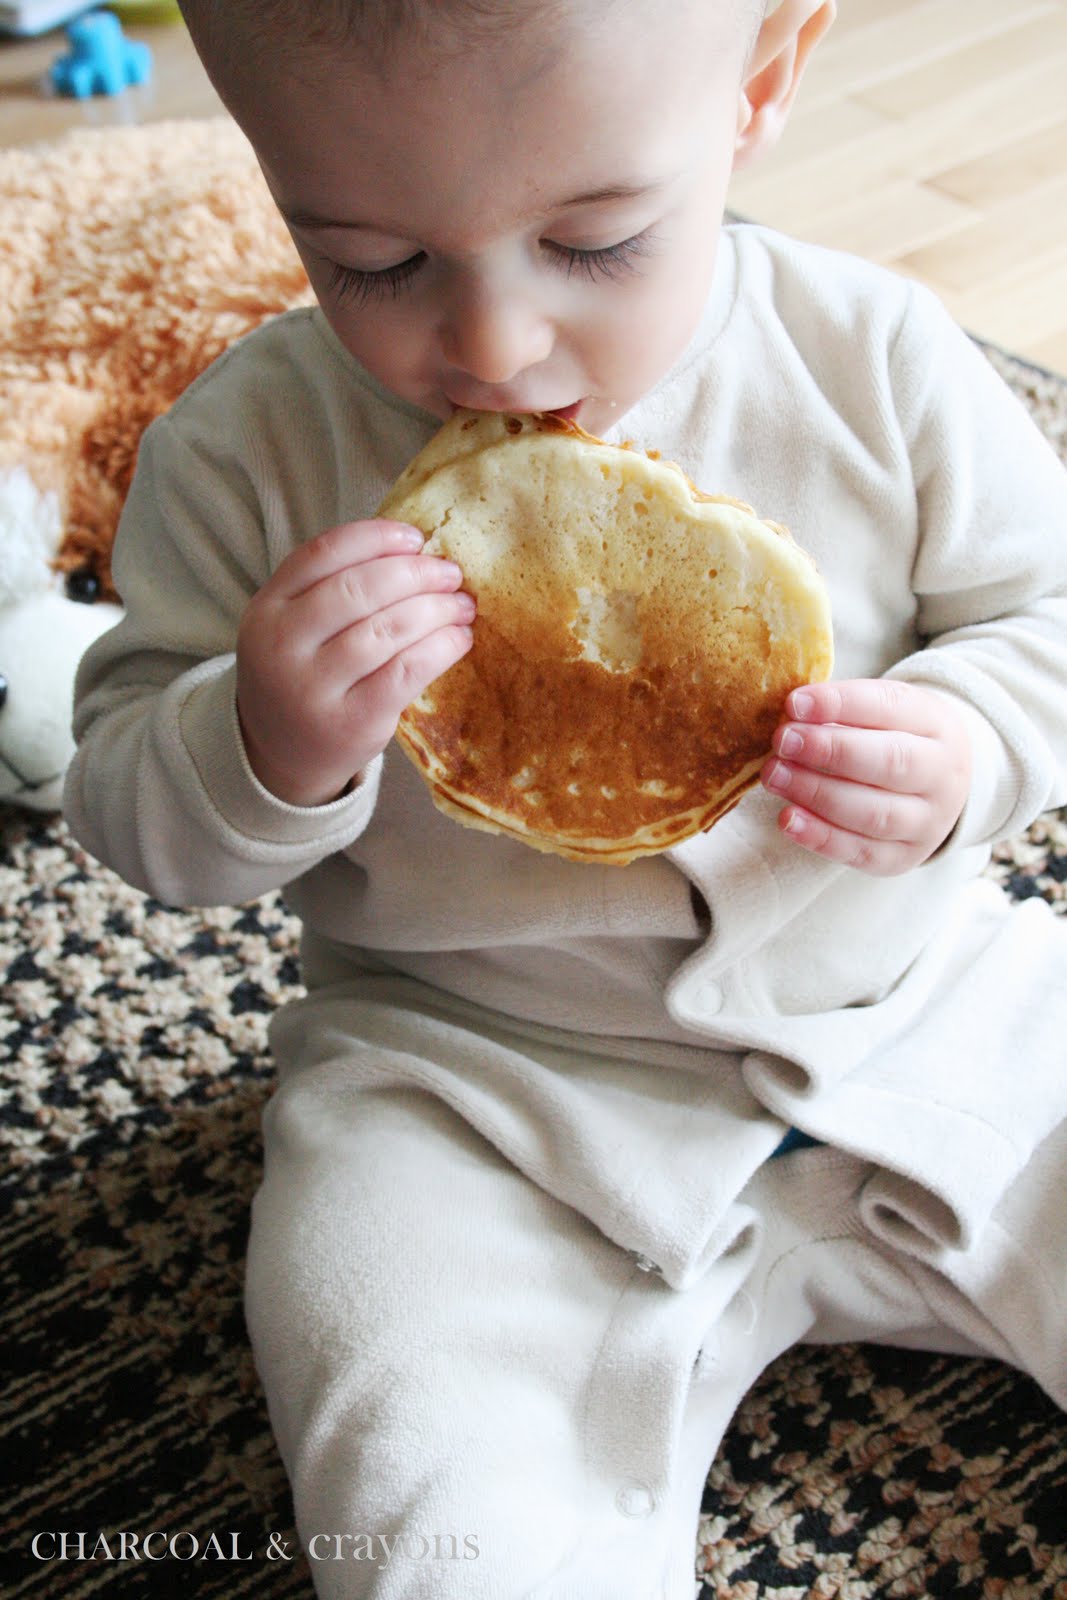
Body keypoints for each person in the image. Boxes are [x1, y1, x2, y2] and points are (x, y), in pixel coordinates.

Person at [64, 0, 1067, 1595]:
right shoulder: (247, 452)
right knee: (395, 1408)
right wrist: (255, 738)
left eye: (596, 239)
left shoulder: (870, 358)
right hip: (471, 1084)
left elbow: (1050, 614)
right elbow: (124, 806)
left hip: (909, 996)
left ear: (761, 83)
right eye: (373, 263)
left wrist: (968, 743)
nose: (491, 346)